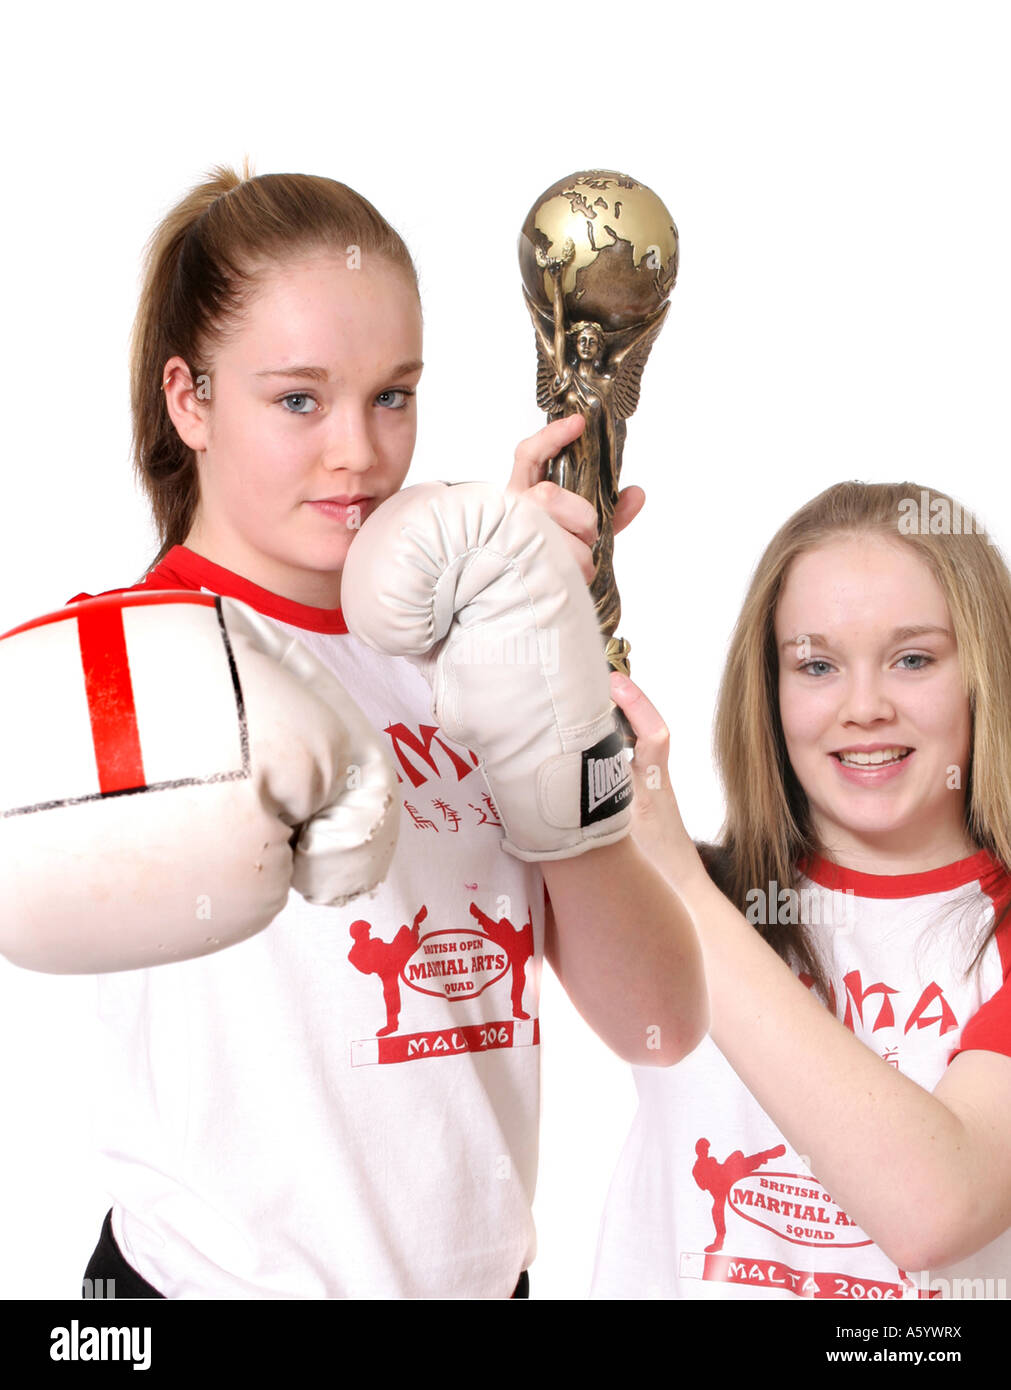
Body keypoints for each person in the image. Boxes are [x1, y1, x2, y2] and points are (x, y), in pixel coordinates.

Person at [63, 165, 705, 1299]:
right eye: (299, 399)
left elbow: (660, 1024)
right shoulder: (117, 660)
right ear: (190, 400)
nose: (357, 452)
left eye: (392, 394)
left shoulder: (466, 638)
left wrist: (546, 675)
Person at [594, 481, 1011, 1300]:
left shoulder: (683, 894)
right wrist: (513, 589)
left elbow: (935, 1209)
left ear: (984, 675)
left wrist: (674, 877)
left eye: (913, 658)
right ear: (771, 690)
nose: (863, 708)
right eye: (816, 665)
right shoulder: (685, 894)